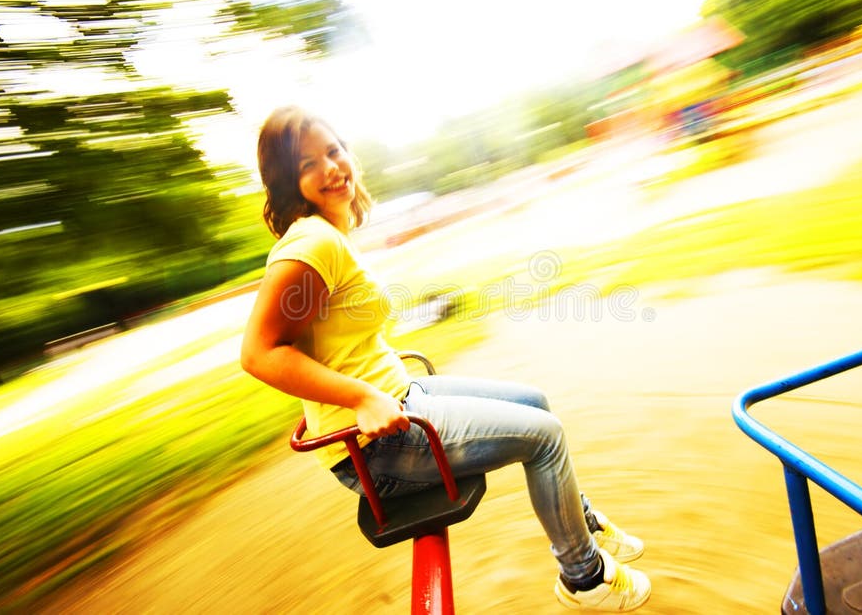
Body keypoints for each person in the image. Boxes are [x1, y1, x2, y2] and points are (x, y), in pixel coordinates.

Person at [240, 105, 652, 612]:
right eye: (307, 164)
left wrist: (375, 383)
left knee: (537, 402)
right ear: (285, 181)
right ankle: (583, 577)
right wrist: (363, 397)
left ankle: (577, 518)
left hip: (398, 396)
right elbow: (259, 353)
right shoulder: (313, 241)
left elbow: (338, 337)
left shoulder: (330, 235)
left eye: (334, 150)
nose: (330, 167)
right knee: (547, 438)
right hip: (374, 446)